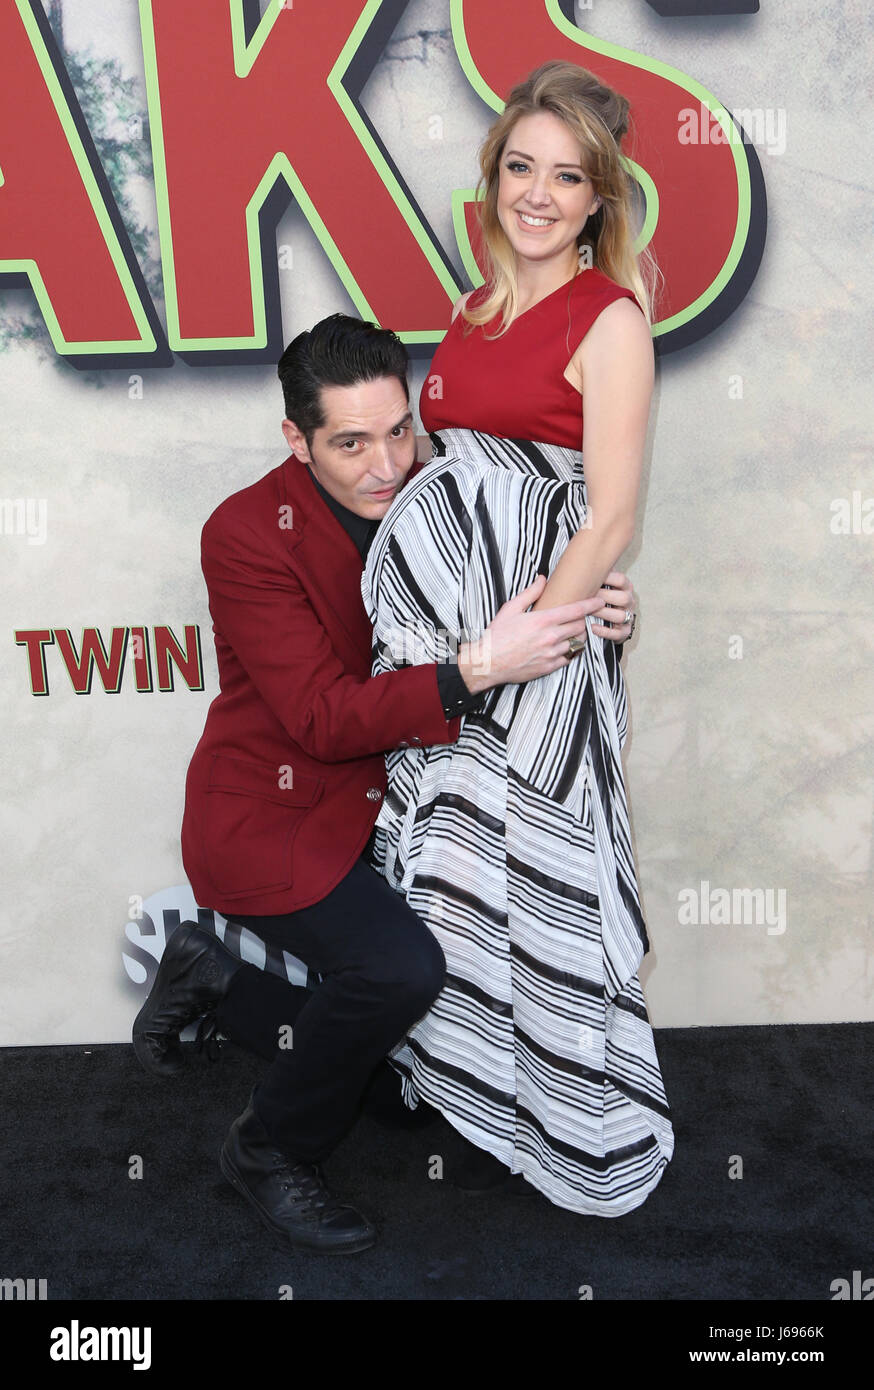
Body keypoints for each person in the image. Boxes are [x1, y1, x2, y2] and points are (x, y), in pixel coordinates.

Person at [132, 313, 637, 1253]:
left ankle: (215, 983)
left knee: (409, 1092)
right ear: (297, 438)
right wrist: (473, 668)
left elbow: (548, 596)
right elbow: (322, 716)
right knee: (402, 971)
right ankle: (269, 1147)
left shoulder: (452, 485)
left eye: (398, 428)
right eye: (350, 443)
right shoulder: (245, 535)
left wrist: (599, 607)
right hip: (272, 818)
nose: (386, 464)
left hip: (415, 806)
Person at [361, 61, 674, 1217]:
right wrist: (449, 630)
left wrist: (542, 625)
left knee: (552, 862)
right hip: (464, 637)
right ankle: (482, 1095)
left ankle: (573, 1116)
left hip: (533, 643)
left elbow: (612, 514)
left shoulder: (612, 319)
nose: (538, 194)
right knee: (463, 868)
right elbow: (455, 483)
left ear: (600, 199)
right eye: (520, 167)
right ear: (492, 177)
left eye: (567, 177)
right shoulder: (475, 307)